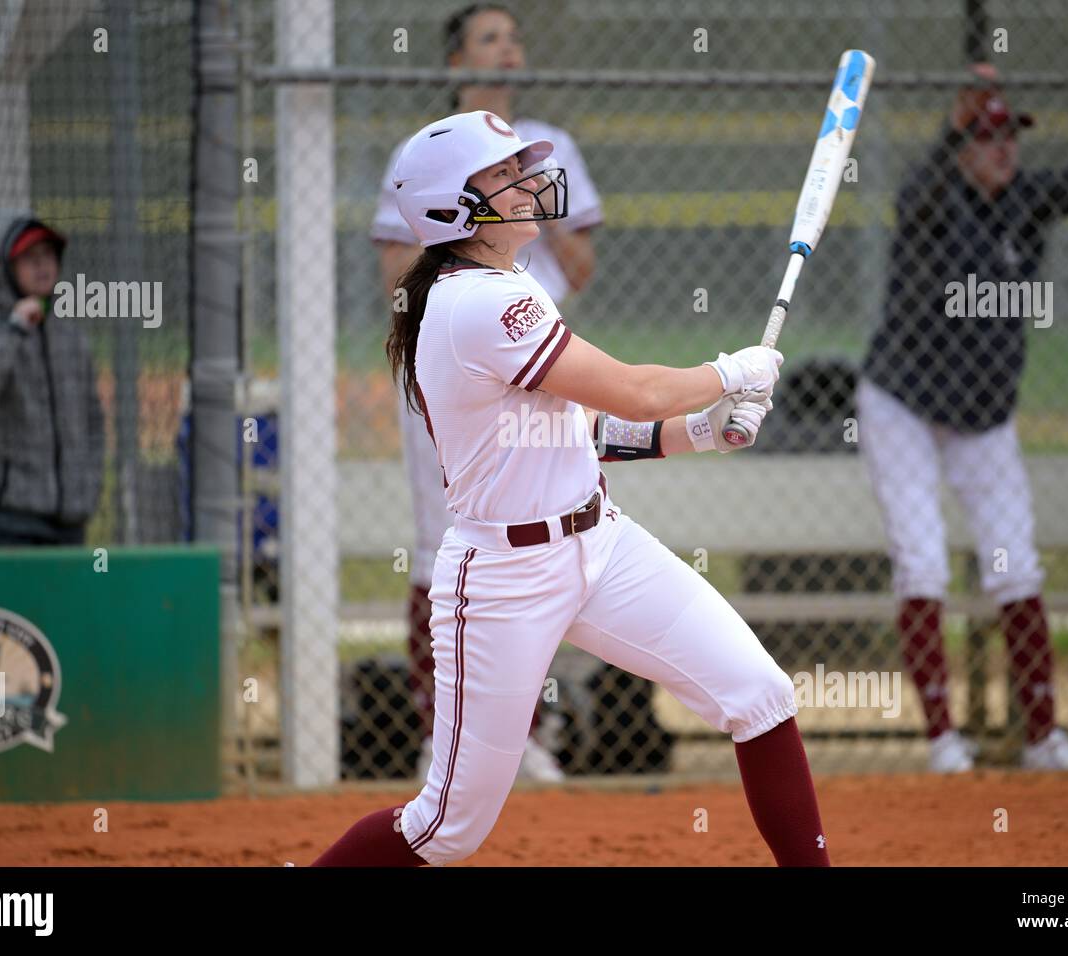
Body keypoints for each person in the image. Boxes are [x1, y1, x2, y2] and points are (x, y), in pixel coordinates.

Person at [311, 110, 828, 867]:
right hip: (503, 578)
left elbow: (577, 432)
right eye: (503, 175)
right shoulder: (478, 302)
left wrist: (705, 430)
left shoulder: (508, 282)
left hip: (600, 544)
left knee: (758, 694)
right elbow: (634, 393)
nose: (526, 184)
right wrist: (730, 372)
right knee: (444, 829)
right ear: (455, 204)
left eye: (522, 168)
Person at [857, 62, 1068, 772]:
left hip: (985, 413)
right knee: (924, 563)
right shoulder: (936, 198)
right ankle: (943, 739)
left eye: (1010, 136)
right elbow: (920, 195)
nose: (1006, 149)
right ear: (965, 145)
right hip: (903, 404)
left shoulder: (1022, 202)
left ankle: (1043, 736)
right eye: (990, 136)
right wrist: (951, 129)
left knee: (1015, 566)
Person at [371, 3, 603, 782]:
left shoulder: (550, 148)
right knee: (445, 544)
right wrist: (474, 238)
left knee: (539, 540)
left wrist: (527, 199)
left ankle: (521, 736)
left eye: (512, 38)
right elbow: (396, 282)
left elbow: (581, 268)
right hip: (461, 379)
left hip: (545, 375)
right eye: (488, 39)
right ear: (456, 62)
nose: (507, 52)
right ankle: (440, 732)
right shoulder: (429, 156)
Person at [0, 214, 105, 547]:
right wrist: (15, 331)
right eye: (30, 257)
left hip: (67, 521)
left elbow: (93, 420)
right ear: (8, 268)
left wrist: (87, 486)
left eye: (49, 255)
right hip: (6, 520)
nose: (43, 265)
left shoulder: (72, 339)